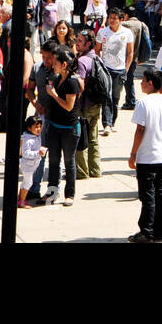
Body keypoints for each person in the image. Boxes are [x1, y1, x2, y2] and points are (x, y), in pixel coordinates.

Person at [128, 68, 162, 243]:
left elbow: (140, 129)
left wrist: (133, 153)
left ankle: (147, 231)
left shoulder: (144, 103)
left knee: (147, 196)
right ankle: (159, 229)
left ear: (151, 82)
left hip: (147, 156)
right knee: (160, 194)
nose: (141, 83)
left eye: (143, 80)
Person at [41, 48, 82, 206]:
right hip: (54, 126)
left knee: (69, 162)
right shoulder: (57, 78)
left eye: (56, 61)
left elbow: (69, 106)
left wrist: (54, 95)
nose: (53, 64)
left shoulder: (72, 82)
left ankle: (69, 194)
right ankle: (52, 193)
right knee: (53, 161)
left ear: (64, 64)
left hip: (69, 129)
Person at [97, 11, 134, 134]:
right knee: (107, 96)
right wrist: (100, 65)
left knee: (115, 97)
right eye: (110, 18)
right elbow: (97, 49)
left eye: (115, 18)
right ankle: (106, 124)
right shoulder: (103, 32)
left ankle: (112, 122)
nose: (112, 21)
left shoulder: (127, 33)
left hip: (120, 69)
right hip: (106, 69)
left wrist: (126, 68)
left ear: (121, 20)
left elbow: (130, 52)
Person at [73, 30, 103, 180]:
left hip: (83, 105)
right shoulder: (97, 59)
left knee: (80, 138)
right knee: (93, 138)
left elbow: (81, 84)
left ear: (88, 43)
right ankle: (95, 170)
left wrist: (74, 103)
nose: (76, 43)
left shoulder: (81, 61)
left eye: (79, 41)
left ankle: (82, 171)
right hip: (96, 104)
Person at [17, 115, 46, 209]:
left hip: (31, 165)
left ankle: (20, 199)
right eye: (36, 127)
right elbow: (25, 153)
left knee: (25, 182)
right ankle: (21, 202)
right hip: (27, 165)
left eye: (40, 126)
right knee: (28, 183)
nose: (39, 129)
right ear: (29, 128)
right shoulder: (28, 140)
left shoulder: (35, 137)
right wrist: (38, 153)